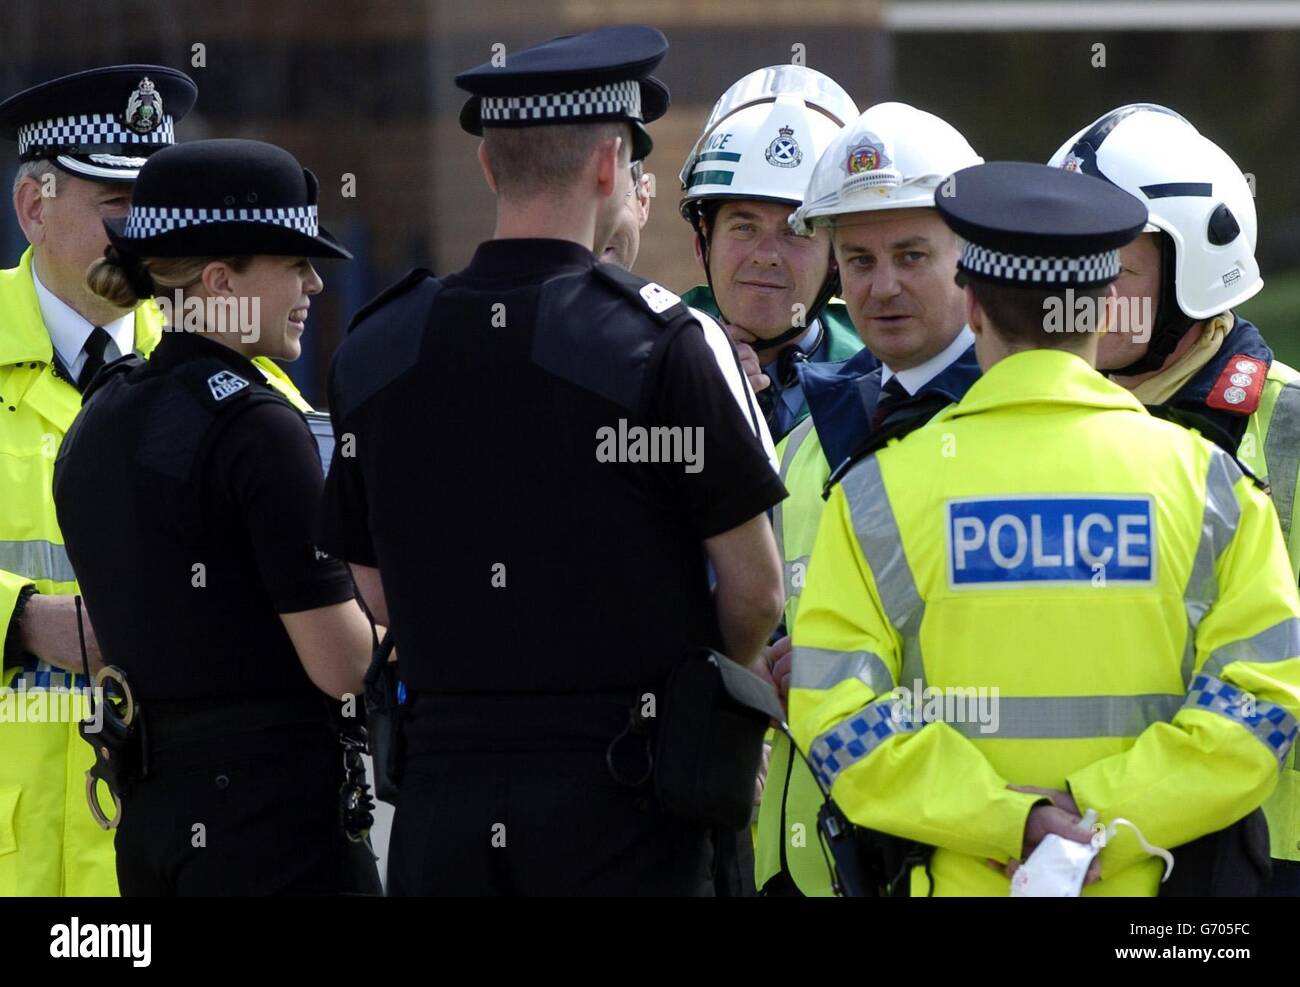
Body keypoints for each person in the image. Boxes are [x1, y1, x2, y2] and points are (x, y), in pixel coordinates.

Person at [318, 25, 786, 896]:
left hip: (441, 817)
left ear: (490, 170)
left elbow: (372, 589)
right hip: (630, 815)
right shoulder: (667, 344)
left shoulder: (375, 348)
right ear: (613, 166)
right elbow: (757, 592)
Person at [790, 161, 1300, 896]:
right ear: (1096, 312)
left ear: (972, 307)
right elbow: (1259, 707)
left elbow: (839, 723)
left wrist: (1013, 819)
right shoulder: (1212, 486)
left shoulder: (876, 493)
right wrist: (1104, 813)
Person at [51, 139, 379, 896]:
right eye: (292, 263)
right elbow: (345, 666)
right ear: (220, 280)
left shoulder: (97, 418)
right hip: (274, 837)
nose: (314, 285)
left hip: (152, 829)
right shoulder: (258, 428)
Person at [1049, 105, 1300, 892]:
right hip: (1073, 853)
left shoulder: (1288, 425)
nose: (1077, 295)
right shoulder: (1031, 423)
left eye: (1110, 270)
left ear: (1195, 273)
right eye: (1064, 262)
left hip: (1270, 858)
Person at [754, 102, 983, 896]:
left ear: (972, 256)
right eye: (857, 260)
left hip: (971, 846)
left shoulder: (1016, 424)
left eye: (912, 255)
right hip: (813, 860)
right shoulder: (810, 434)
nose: (880, 286)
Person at [0, 64, 200, 897]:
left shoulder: (213, 364)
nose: (143, 238)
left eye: (156, 210)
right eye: (117, 209)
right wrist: (22, 618)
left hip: (165, 847)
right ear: (33, 207)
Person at [678, 65, 869, 442]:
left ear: (836, 258)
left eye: (796, 230)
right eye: (744, 227)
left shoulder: (882, 370)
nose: (766, 256)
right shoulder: (641, 358)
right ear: (703, 243)